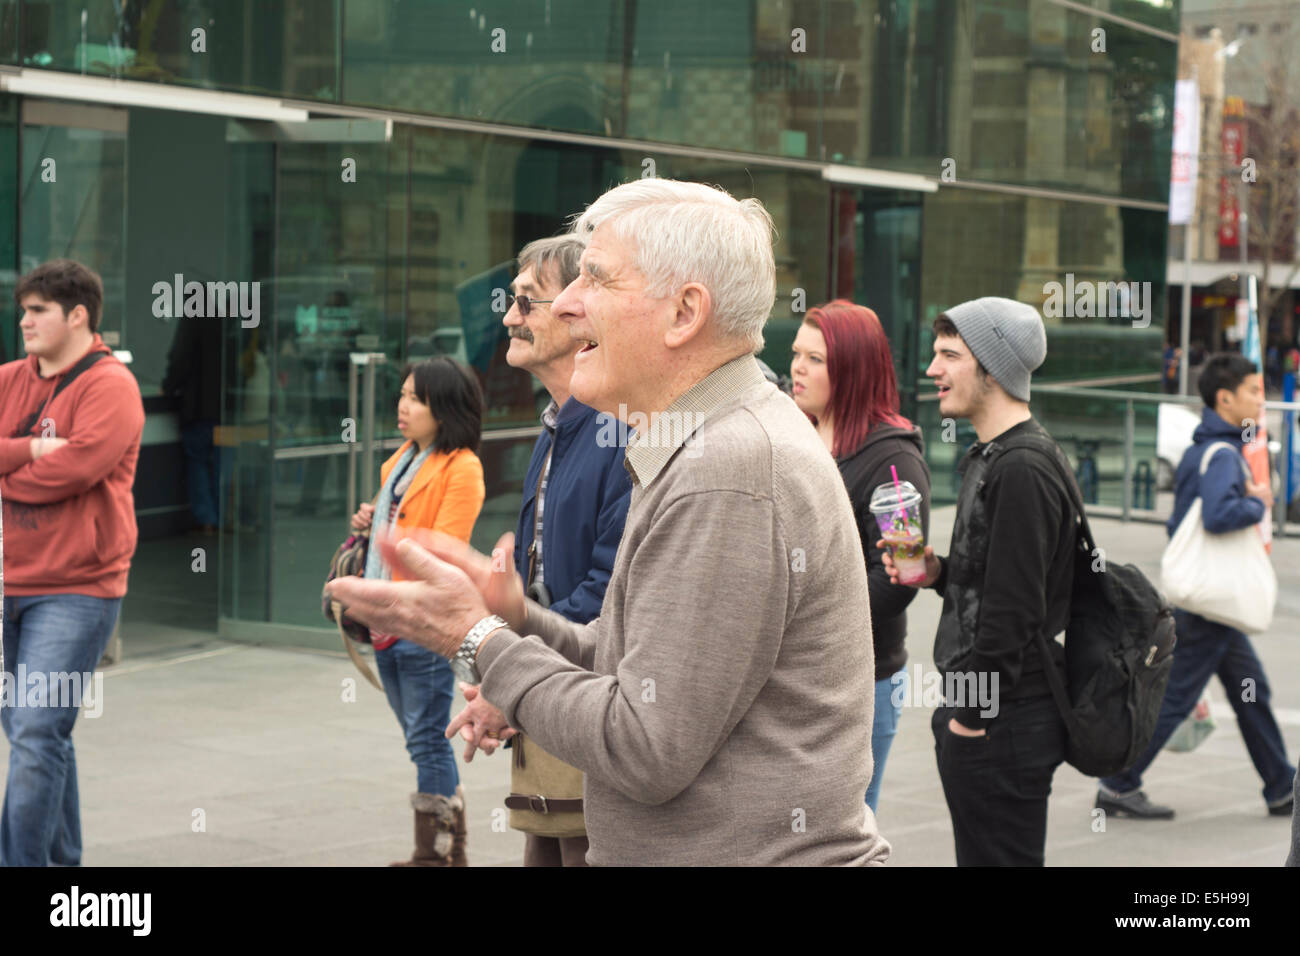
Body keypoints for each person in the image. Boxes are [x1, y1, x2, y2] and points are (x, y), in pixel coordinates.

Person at [330, 179, 890, 866]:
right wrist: (521, 619)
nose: (566, 305)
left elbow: (645, 745)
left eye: (595, 278)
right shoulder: (707, 440)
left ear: (684, 313)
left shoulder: (729, 468)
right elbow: (638, 663)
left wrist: (474, 638)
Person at [459, 234, 631, 867]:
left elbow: (608, 594)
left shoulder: (622, 431)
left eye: (526, 302)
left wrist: (511, 680)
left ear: (577, 310)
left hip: (595, 731)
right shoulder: (557, 424)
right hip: (552, 711)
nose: (509, 316)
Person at [885, 297, 1077, 867]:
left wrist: (970, 721)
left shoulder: (1021, 466)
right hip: (992, 714)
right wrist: (938, 571)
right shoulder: (994, 456)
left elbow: (1015, 612)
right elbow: (999, 581)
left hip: (1003, 720)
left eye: (949, 355)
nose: (931, 370)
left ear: (992, 369)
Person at [1096, 354, 1295, 820]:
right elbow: (1219, 516)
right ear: (1224, 398)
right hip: (1210, 605)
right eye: (1253, 391)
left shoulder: (1202, 448)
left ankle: (1282, 786)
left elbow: (1180, 522)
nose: (1261, 400)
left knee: (1251, 690)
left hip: (1212, 601)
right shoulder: (1223, 455)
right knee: (1176, 696)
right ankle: (1119, 783)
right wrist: (1258, 503)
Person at [0, 259, 145, 866]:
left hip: (78, 591)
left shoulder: (111, 385)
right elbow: (52, 462)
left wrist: (8, 476)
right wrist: (31, 448)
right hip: (9, 582)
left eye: (38, 311)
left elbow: (79, 467)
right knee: (39, 734)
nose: (25, 320)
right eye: (24, 309)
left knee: (35, 733)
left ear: (77, 315)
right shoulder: (9, 378)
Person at [790, 300, 930, 815]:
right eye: (796, 354)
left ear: (852, 368)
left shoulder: (895, 461)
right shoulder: (793, 429)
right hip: (795, 678)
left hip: (860, 683)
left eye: (817, 359)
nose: (798, 368)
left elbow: (904, 576)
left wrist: (804, 619)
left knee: (842, 828)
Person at [350, 356, 486, 866]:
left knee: (428, 739)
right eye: (403, 394)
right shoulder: (403, 460)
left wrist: (393, 532)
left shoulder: (462, 467)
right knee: (420, 739)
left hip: (424, 622)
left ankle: (438, 854)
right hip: (387, 620)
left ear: (444, 408)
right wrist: (373, 516)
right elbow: (398, 522)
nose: (402, 406)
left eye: (415, 398)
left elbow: (444, 547)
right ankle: (446, 847)